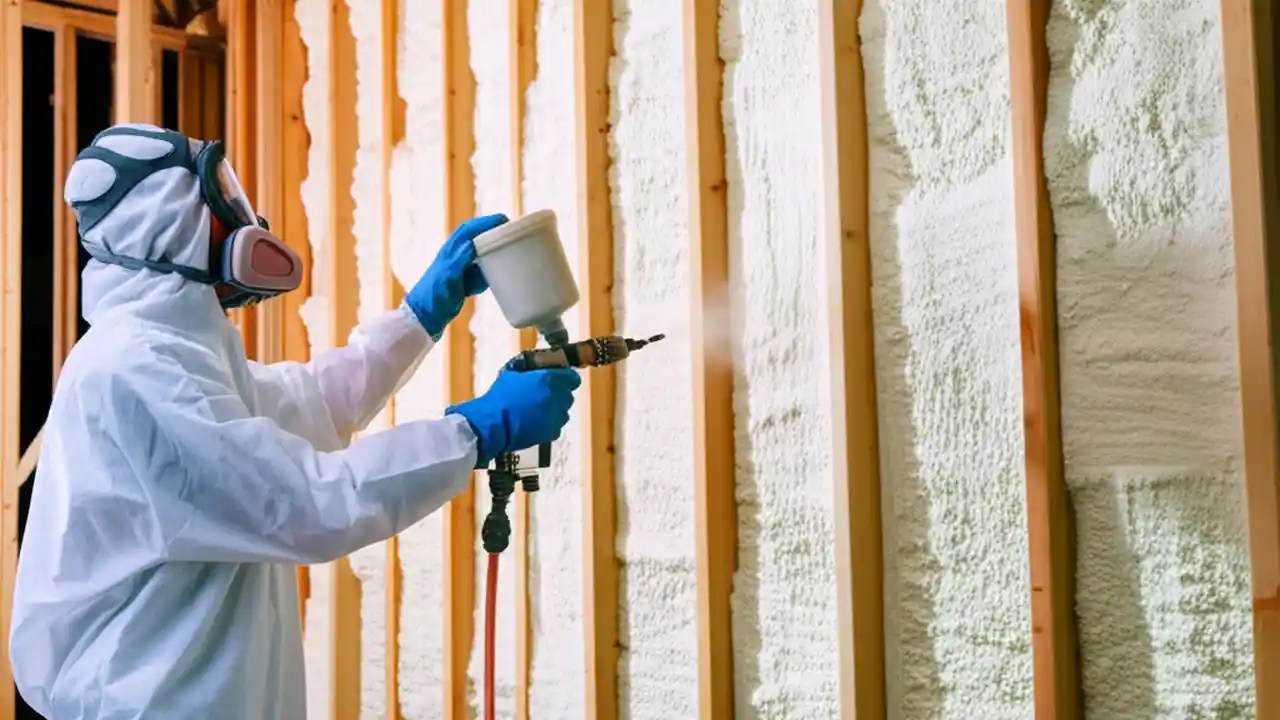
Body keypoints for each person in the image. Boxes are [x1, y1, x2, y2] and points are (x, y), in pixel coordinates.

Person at [8, 124, 580, 719]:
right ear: (168, 223)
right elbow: (303, 502)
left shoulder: (172, 354)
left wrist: (420, 316)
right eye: (220, 196)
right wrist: (472, 432)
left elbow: (311, 403)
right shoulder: (136, 370)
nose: (243, 218)